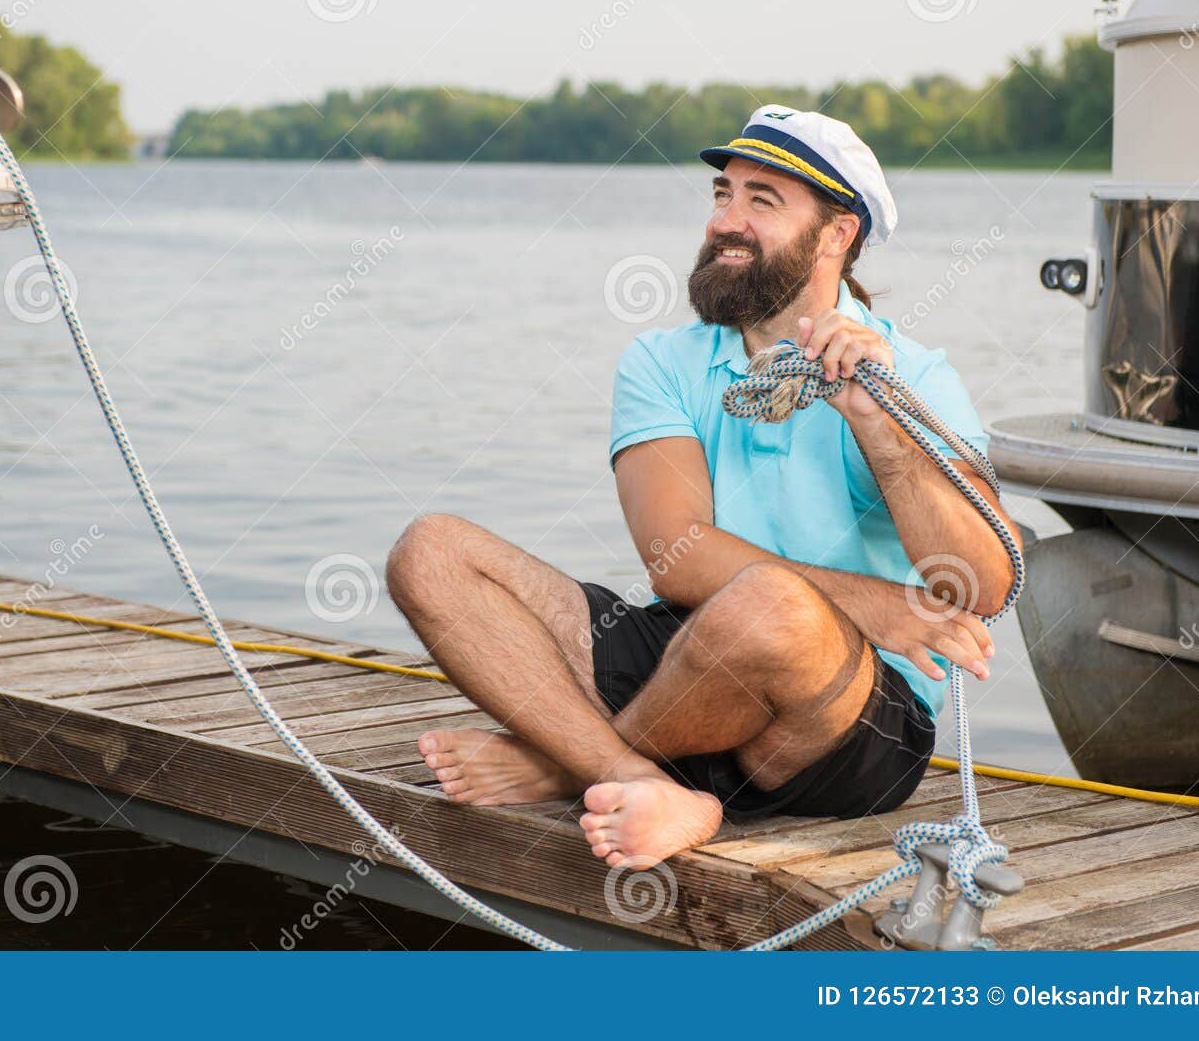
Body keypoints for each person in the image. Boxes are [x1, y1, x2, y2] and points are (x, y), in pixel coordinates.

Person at [384, 105, 1020, 871]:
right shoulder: (662, 361)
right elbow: (675, 557)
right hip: (691, 647)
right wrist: (873, 600)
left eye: (763, 201)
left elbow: (987, 581)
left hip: (852, 714)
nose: (728, 220)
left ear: (838, 233)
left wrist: (875, 418)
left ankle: (564, 762)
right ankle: (639, 780)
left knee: (771, 606)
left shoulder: (913, 377)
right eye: (724, 193)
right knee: (431, 551)